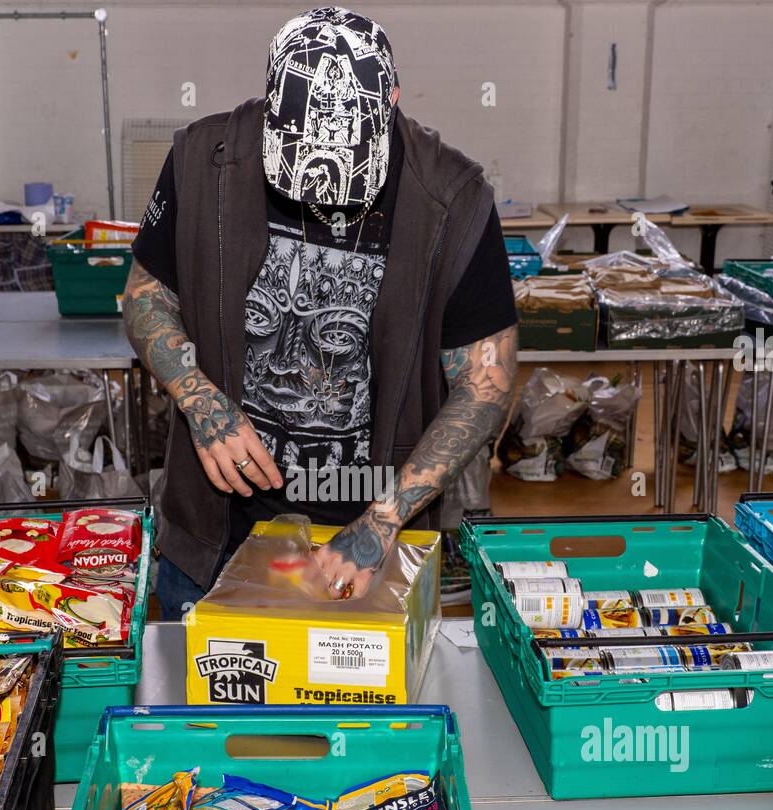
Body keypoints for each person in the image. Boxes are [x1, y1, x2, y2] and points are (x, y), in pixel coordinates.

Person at [124, 5, 518, 619]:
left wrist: (382, 522)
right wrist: (200, 402)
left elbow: (484, 382)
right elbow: (146, 294)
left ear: (391, 102)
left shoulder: (453, 201)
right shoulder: (204, 160)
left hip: (373, 539)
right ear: (270, 107)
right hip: (212, 536)